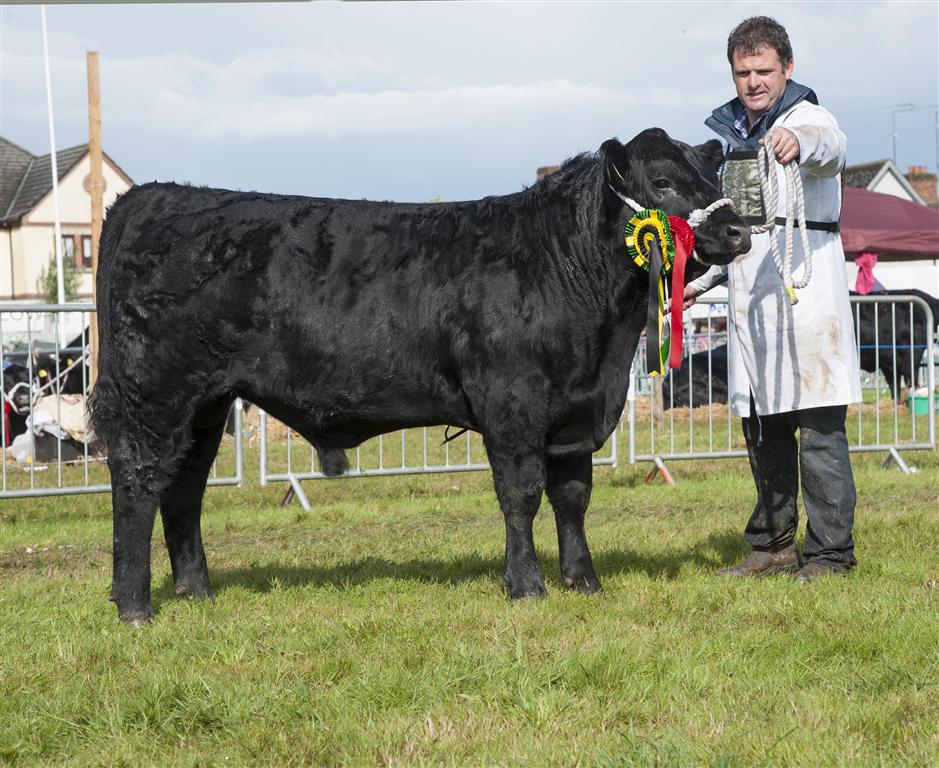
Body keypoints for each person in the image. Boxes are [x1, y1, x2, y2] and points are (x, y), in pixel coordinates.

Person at [684, 16, 861, 583]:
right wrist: (699, 283)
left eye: (764, 70)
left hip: (806, 300)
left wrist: (798, 140)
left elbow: (832, 149)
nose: (753, 81)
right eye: (743, 72)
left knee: (818, 429)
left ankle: (831, 553)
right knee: (764, 431)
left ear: (788, 67)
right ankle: (773, 544)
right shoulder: (731, 138)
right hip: (751, 307)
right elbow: (746, 233)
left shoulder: (808, 114)